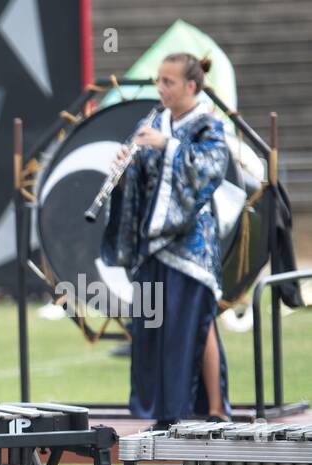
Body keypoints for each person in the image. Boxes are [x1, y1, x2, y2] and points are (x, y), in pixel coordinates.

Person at [101, 53, 231, 427]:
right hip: (153, 245)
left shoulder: (209, 124)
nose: (160, 88)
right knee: (153, 326)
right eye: (158, 80)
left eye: (168, 82)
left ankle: (215, 409)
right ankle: (164, 410)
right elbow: (144, 181)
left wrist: (167, 146)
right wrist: (124, 174)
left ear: (191, 86)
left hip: (191, 245)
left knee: (196, 322)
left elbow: (209, 171)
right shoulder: (153, 121)